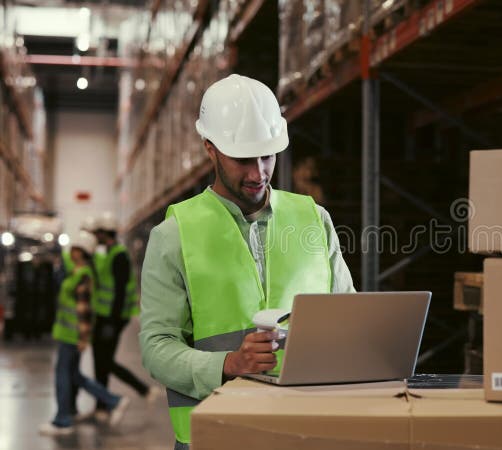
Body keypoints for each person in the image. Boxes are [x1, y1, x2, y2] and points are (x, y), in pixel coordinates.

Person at [139, 74, 355, 449]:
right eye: (242, 159)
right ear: (210, 148)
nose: (258, 173)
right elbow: (156, 346)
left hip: (303, 428)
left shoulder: (313, 218)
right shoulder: (174, 235)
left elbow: (348, 313)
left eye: (267, 156)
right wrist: (227, 364)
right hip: (214, 434)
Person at [39, 231, 130, 436]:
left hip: (71, 336)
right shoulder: (79, 272)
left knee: (63, 375)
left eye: (74, 248)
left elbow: (84, 310)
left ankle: (63, 420)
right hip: (67, 333)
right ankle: (113, 400)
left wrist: (82, 337)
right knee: (74, 375)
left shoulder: (83, 276)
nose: (71, 252)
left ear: (81, 252)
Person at [84, 212, 157, 421]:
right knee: (100, 361)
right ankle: (102, 405)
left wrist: (113, 322)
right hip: (104, 316)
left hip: (113, 318)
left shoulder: (119, 256)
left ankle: (140, 390)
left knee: (104, 361)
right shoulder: (107, 253)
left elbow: (119, 292)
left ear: (102, 233)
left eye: (96, 232)